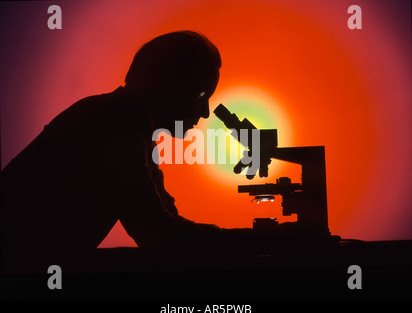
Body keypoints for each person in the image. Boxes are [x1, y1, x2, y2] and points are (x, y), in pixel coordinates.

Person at [0, 31, 236, 273]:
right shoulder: (114, 126)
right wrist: (256, 241)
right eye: (201, 95)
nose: (206, 112)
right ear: (171, 83)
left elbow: (165, 223)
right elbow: (160, 234)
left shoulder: (127, 125)